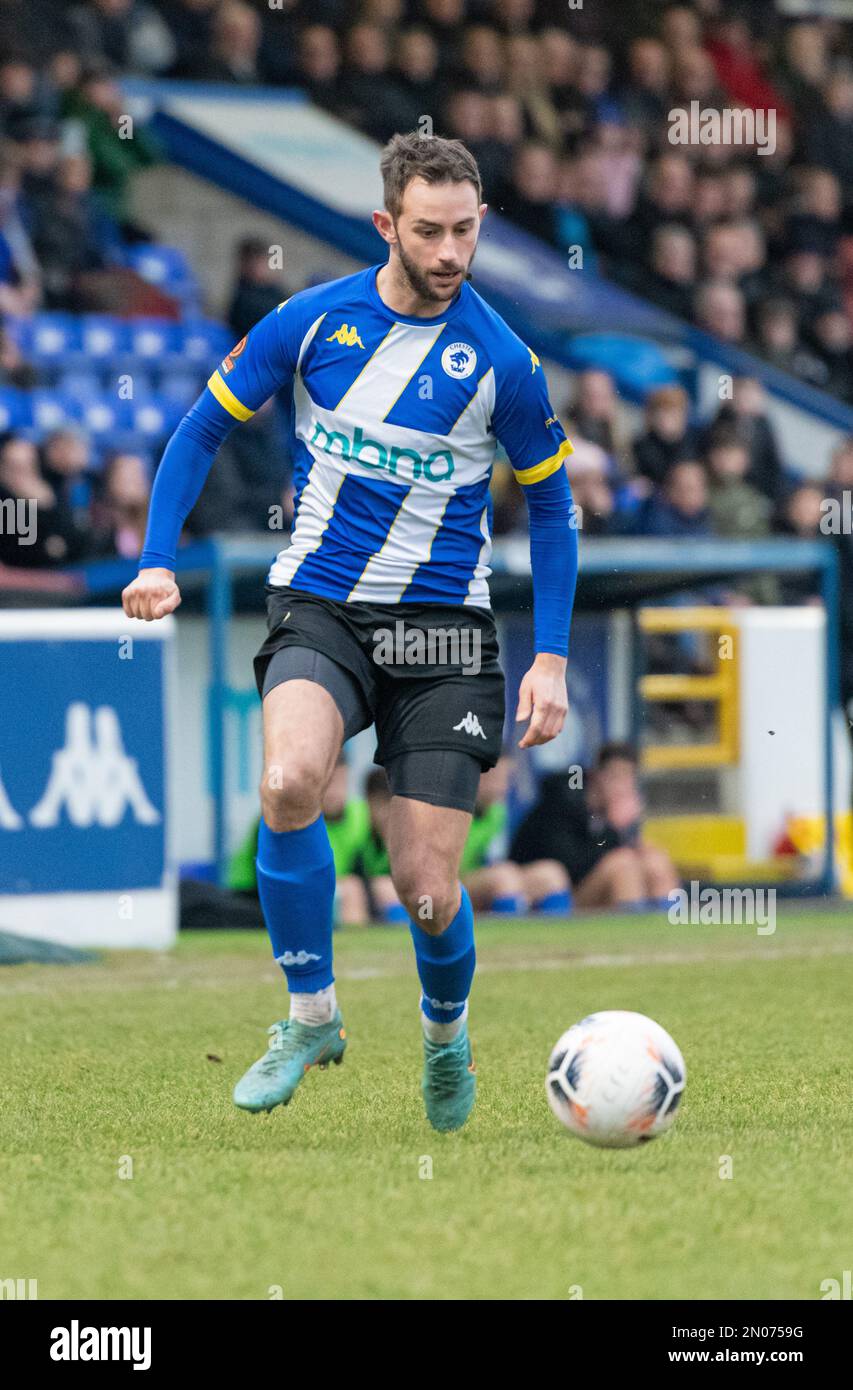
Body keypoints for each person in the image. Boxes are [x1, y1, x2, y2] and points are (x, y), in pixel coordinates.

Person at [122, 131, 578, 1133]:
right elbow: (200, 428)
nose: (451, 250)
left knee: (422, 885)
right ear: (386, 225)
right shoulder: (310, 322)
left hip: (446, 633)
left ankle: (444, 1031)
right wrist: (157, 556)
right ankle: (309, 1015)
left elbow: (552, 507)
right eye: (429, 231)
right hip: (320, 602)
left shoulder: (503, 360)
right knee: (288, 782)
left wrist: (549, 655)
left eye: (465, 229)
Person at [510, 743, 680, 910]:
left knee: (654, 859)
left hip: (583, 888)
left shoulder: (607, 810)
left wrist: (627, 840)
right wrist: (613, 828)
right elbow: (571, 868)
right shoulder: (565, 801)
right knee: (623, 866)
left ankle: (669, 933)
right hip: (547, 893)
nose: (621, 787)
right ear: (596, 776)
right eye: (615, 777)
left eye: (628, 778)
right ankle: (629, 936)